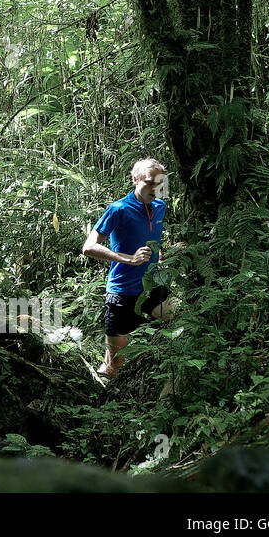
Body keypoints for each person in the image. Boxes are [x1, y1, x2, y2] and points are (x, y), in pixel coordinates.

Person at [81, 157, 176, 378]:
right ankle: (100, 399)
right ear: (135, 179)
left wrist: (158, 255)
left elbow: (149, 238)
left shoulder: (160, 207)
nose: (156, 188)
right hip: (122, 293)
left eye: (159, 183)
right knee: (114, 366)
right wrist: (129, 259)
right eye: (150, 182)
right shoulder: (118, 209)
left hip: (151, 286)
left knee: (180, 321)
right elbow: (88, 247)